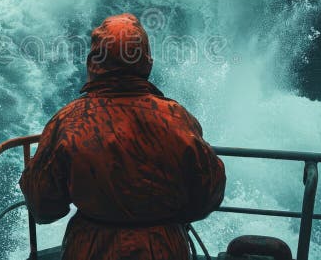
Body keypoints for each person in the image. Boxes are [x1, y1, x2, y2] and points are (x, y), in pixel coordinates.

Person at [19, 13, 226, 260]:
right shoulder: (176, 117)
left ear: (94, 61)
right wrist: (168, 218)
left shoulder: (68, 121)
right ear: (146, 60)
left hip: (90, 248)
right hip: (164, 248)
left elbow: (43, 205)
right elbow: (209, 192)